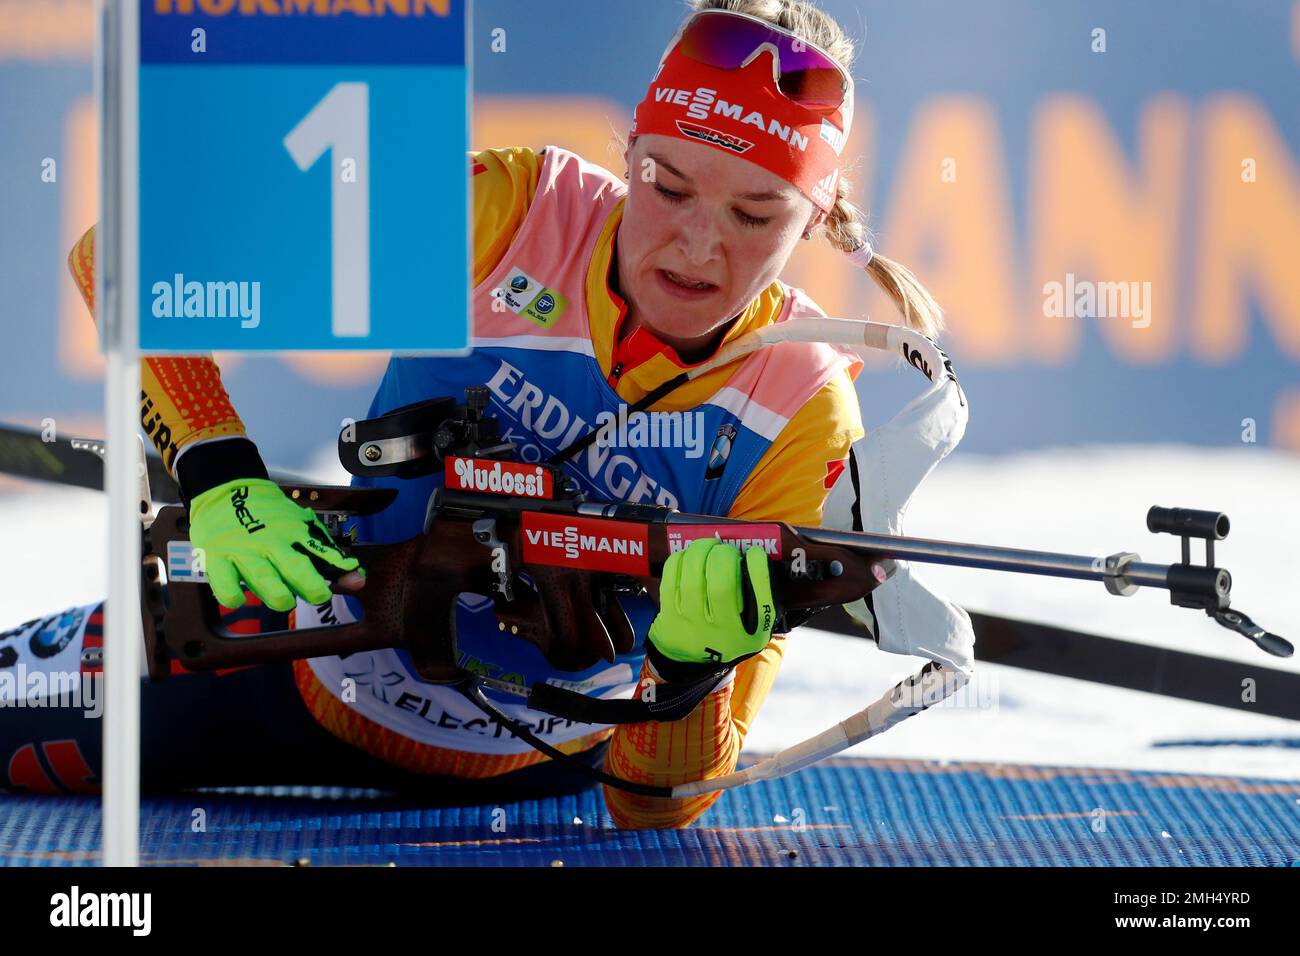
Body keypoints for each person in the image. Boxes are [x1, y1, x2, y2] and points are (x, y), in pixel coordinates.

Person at [1, 0, 947, 828]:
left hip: (545, 777)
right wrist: (218, 474)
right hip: (291, 668)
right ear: (628, 150)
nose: (698, 245)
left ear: (818, 222)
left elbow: (655, 805)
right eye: (667, 185)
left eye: (757, 214)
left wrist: (692, 673)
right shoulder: (513, 217)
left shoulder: (804, 415)